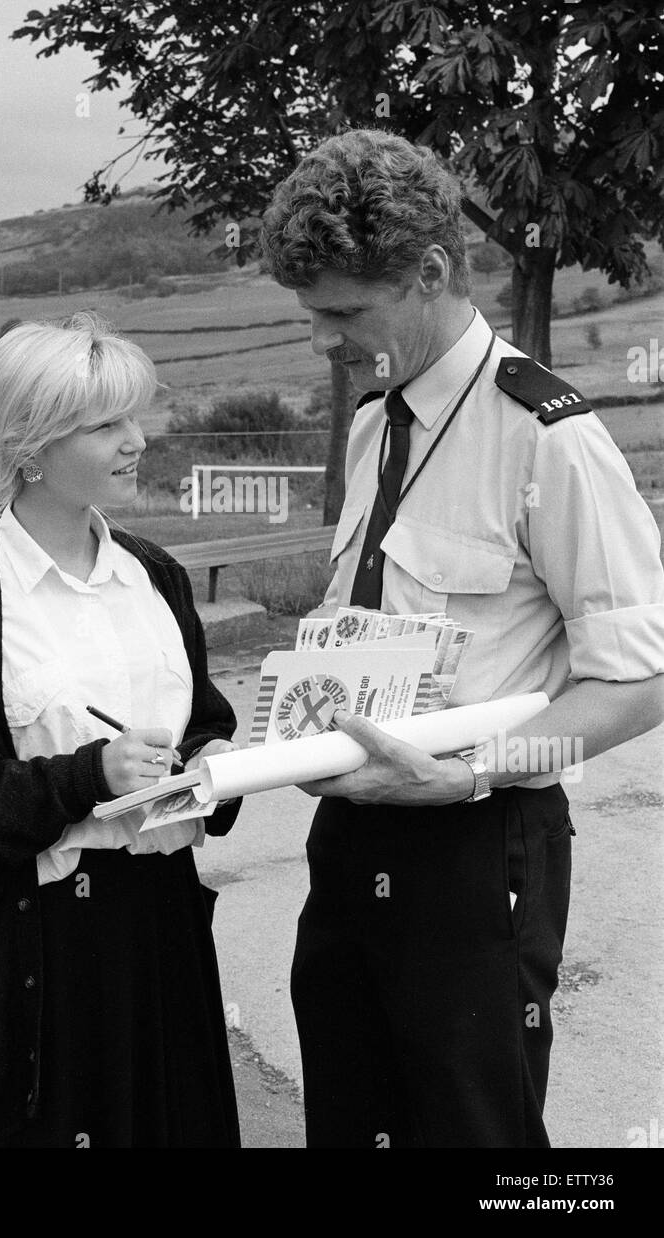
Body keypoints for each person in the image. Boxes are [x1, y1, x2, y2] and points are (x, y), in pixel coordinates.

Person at [260, 127, 664, 1149]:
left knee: (472, 1140)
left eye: (344, 311)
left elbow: (640, 681)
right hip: (349, 837)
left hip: (479, 848)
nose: (323, 341)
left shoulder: (550, 436)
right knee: (351, 1124)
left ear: (433, 270)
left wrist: (476, 773)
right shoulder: (372, 420)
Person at [0, 312, 242, 1149]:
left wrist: (216, 765)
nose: (136, 440)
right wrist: (85, 777)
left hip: (159, 930)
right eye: (105, 424)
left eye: (135, 416)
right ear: (28, 447)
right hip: (28, 950)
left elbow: (202, 717)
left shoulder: (155, 576)